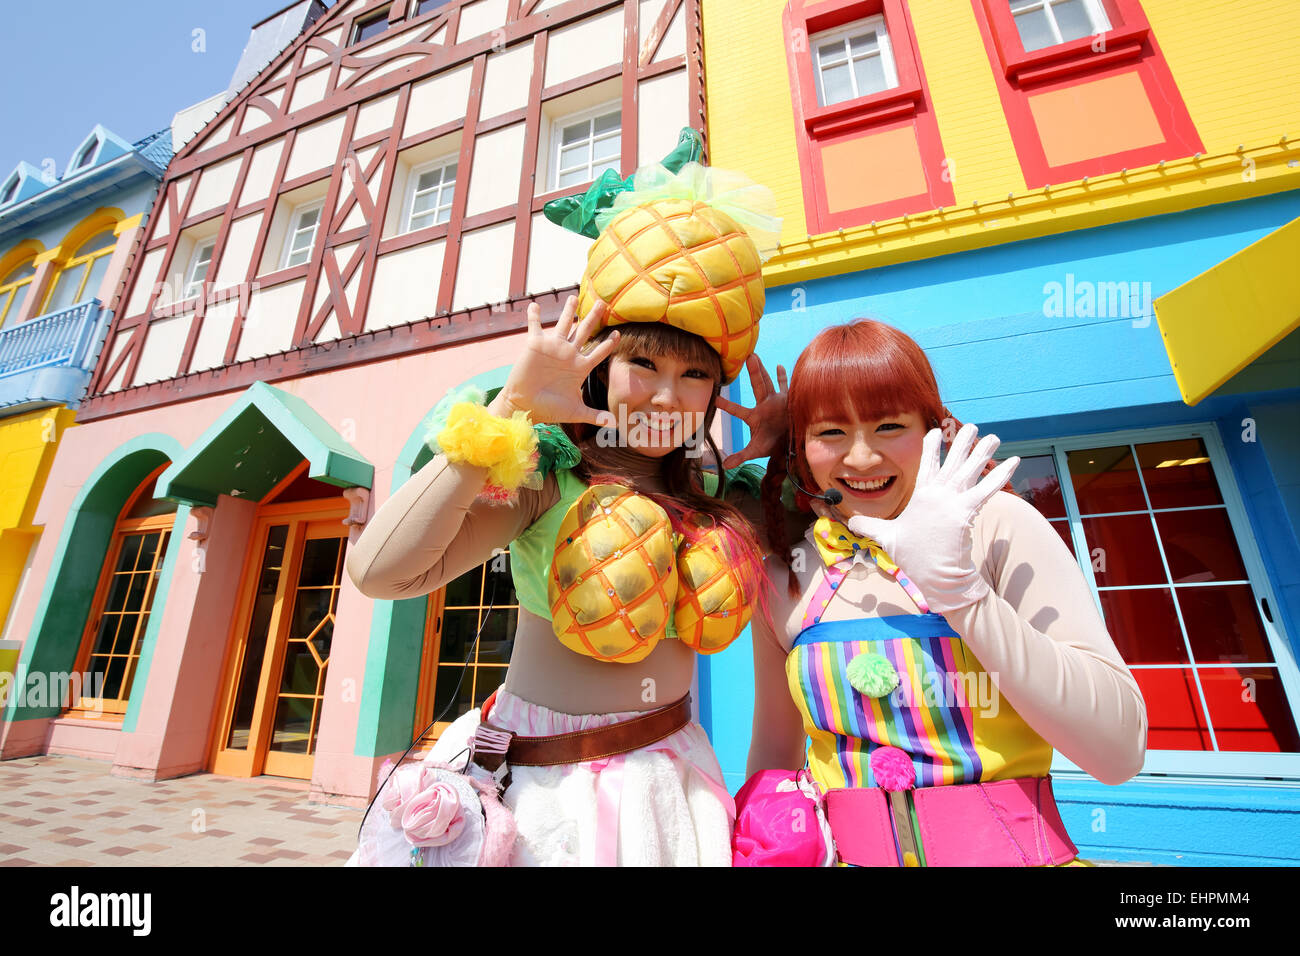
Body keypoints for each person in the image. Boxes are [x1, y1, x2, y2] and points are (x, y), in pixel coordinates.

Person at [346, 163, 780, 866]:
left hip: (671, 794)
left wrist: (783, 452)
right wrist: (504, 415)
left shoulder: (721, 504)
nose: (668, 397)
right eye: (643, 363)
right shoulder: (545, 479)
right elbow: (381, 574)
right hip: (542, 796)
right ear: (601, 363)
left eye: (694, 373)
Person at [741, 319, 1148, 866]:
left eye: (889, 426)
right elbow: (773, 772)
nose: (861, 458)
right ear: (800, 450)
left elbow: (1118, 752)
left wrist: (964, 595)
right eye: (830, 432)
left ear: (935, 429)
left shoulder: (999, 527)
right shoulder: (785, 575)